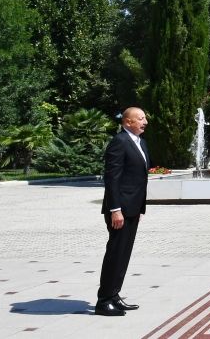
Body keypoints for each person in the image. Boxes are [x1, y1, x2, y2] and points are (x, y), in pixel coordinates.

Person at [95, 107, 150, 316]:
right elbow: (113, 178)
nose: (145, 121)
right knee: (115, 253)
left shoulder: (140, 142)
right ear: (127, 122)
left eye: (144, 118)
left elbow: (138, 178)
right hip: (120, 210)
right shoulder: (120, 142)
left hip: (133, 209)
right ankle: (104, 300)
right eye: (140, 118)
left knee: (124, 254)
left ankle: (114, 295)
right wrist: (115, 209)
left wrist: (140, 207)